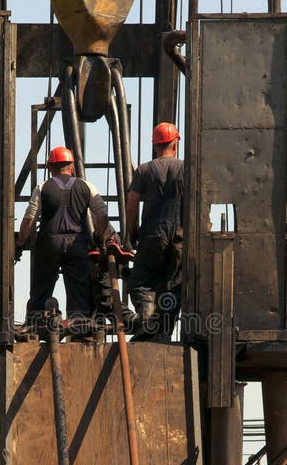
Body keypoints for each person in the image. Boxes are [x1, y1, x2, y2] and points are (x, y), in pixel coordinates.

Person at [16, 146, 114, 325]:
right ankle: (80, 326)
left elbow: (29, 218)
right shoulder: (86, 186)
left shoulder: (43, 187)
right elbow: (103, 214)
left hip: (49, 244)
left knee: (41, 288)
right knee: (78, 288)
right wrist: (99, 237)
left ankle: (33, 325)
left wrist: (21, 242)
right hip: (76, 244)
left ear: (50, 168)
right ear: (72, 166)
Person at [125, 122, 184, 341]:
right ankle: (163, 334)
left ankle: (147, 316)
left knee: (140, 283)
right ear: (175, 143)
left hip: (151, 235)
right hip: (179, 237)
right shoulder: (186, 169)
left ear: (155, 145)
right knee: (173, 287)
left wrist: (131, 234)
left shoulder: (144, 170)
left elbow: (132, 205)